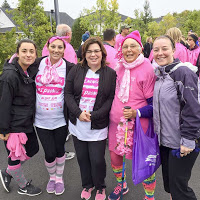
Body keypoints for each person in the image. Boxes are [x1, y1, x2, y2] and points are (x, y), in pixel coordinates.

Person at [65, 37, 116, 200]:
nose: (93, 54)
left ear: (102, 53)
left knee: (97, 160)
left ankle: (100, 187)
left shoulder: (110, 74)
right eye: (89, 51)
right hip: (78, 123)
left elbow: (110, 99)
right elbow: (68, 94)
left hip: (97, 125)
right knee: (82, 158)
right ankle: (87, 185)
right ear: (84, 54)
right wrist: (78, 112)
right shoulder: (75, 70)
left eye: (96, 51)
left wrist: (94, 115)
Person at [108, 31, 156, 200]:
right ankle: (122, 186)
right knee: (115, 158)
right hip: (116, 125)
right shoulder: (118, 66)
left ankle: (149, 196)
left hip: (139, 127)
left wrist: (137, 112)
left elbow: (154, 105)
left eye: (133, 46)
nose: (128, 50)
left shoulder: (147, 68)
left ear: (140, 48)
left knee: (144, 163)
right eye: (125, 46)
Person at [153, 35, 200, 200]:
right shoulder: (160, 75)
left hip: (182, 143)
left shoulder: (183, 73)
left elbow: (193, 108)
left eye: (164, 48)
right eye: (156, 49)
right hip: (166, 141)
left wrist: (188, 139)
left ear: (173, 50)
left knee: (180, 189)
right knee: (171, 186)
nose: (160, 53)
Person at [0, 39, 42, 196]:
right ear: (17, 53)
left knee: (33, 149)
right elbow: (3, 104)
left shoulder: (28, 70)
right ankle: (23, 186)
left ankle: (8, 172)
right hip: (13, 125)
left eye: (32, 51)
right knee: (15, 157)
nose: (28, 54)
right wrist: (4, 129)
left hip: (26, 122)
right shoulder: (9, 76)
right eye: (24, 51)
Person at [34, 36, 75, 195]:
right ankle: (52, 177)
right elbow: (19, 66)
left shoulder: (69, 68)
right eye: (53, 46)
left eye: (60, 47)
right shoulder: (37, 64)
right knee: (49, 153)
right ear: (48, 47)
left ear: (64, 50)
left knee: (59, 151)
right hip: (40, 120)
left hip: (60, 120)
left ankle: (59, 178)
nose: (56, 50)